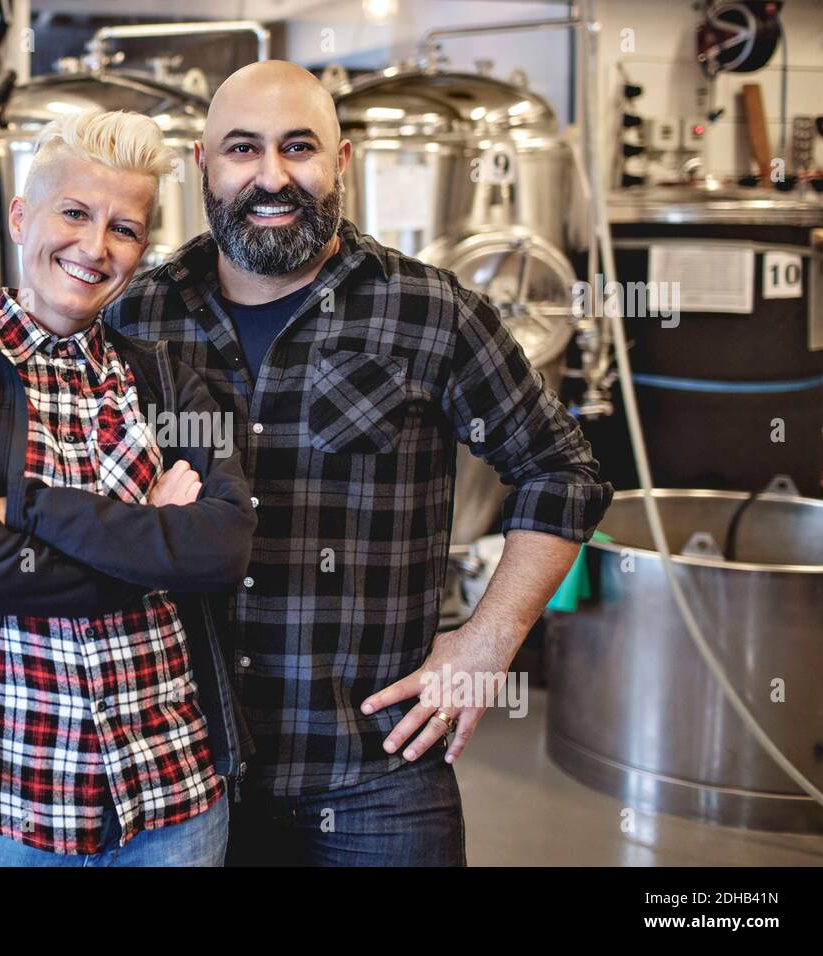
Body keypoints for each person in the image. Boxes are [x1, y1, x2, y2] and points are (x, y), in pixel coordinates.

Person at [105, 61, 614, 866]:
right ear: (202, 166)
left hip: (374, 776)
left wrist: (488, 642)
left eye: (298, 147)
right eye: (242, 150)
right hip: (183, 773)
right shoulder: (137, 313)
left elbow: (563, 471)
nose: (272, 177)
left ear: (342, 162)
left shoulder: (430, 311)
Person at [0, 108, 256, 866]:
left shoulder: (172, 384)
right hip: (4, 809)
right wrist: (147, 542)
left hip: (175, 804)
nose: (94, 247)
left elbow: (221, 548)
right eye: (75, 213)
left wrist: (26, 508)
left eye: (124, 228)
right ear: (22, 217)